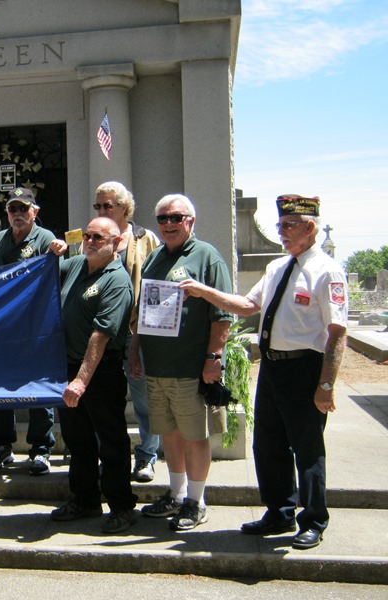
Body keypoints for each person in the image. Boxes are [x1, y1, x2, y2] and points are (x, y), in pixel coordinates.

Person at [178, 194, 347, 550]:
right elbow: (247, 306)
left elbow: (337, 334)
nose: (282, 231)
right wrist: (204, 292)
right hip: (272, 367)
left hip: (305, 368)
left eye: (288, 225)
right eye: (280, 225)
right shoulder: (277, 268)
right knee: (267, 444)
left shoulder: (326, 271)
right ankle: (279, 511)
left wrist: (326, 385)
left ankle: (314, 519)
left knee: (307, 447)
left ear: (310, 227)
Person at [129, 194, 232, 531]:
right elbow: (145, 312)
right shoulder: (156, 258)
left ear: (191, 220)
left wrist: (213, 359)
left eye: (176, 217)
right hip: (158, 367)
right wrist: (136, 351)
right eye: (163, 218)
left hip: (191, 368)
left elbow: (222, 317)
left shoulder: (207, 257)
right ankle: (175, 493)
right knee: (169, 434)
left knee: (194, 436)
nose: (169, 224)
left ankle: (196, 501)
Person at [49, 217, 138, 534]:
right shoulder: (75, 265)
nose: (89, 240)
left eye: (98, 237)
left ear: (115, 242)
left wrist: (81, 381)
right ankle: (85, 500)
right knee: (77, 440)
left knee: (111, 441)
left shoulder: (117, 280)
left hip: (100, 373)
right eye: (86, 235)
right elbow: (37, 277)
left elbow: (101, 335)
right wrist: (51, 253)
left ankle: (122, 506)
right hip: (69, 368)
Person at [93, 181, 161, 483]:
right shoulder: (93, 237)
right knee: (106, 403)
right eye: (99, 205)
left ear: (125, 207)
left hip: (137, 331)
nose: (103, 210)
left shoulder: (145, 239)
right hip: (104, 333)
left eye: (109, 205)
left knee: (144, 400)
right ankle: (109, 459)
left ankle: (146, 457)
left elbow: (157, 285)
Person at [0, 187, 57, 475]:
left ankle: (41, 449)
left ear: (34, 212)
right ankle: (3, 445)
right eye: (13, 209)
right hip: (5, 328)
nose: (17, 214)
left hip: (37, 327)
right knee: (2, 387)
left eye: (23, 209)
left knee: (38, 387)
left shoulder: (46, 239)